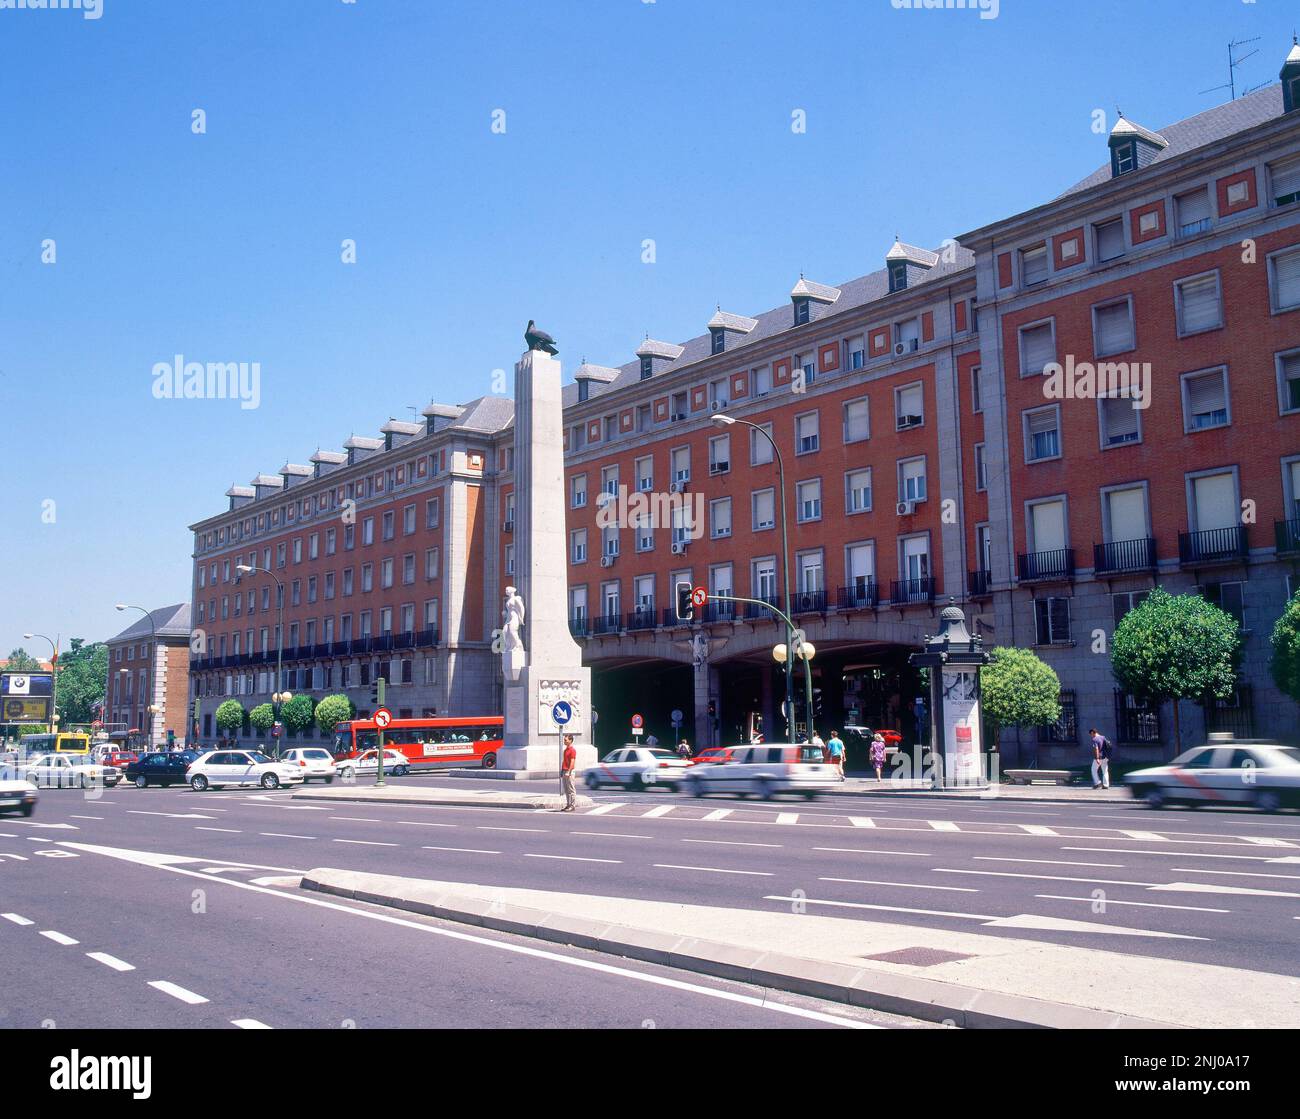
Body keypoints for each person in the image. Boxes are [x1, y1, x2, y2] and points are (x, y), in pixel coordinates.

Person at [560, 733, 578, 811]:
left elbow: (572, 761)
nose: (564, 741)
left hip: (569, 771)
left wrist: (569, 771)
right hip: (564, 770)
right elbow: (564, 761)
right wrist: (562, 771)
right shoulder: (565, 750)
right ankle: (568, 804)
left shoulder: (572, 750)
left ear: (570, 740)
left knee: (571, 789)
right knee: (566, 789)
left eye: (565, 740)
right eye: (564, 740)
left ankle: (572, 805)